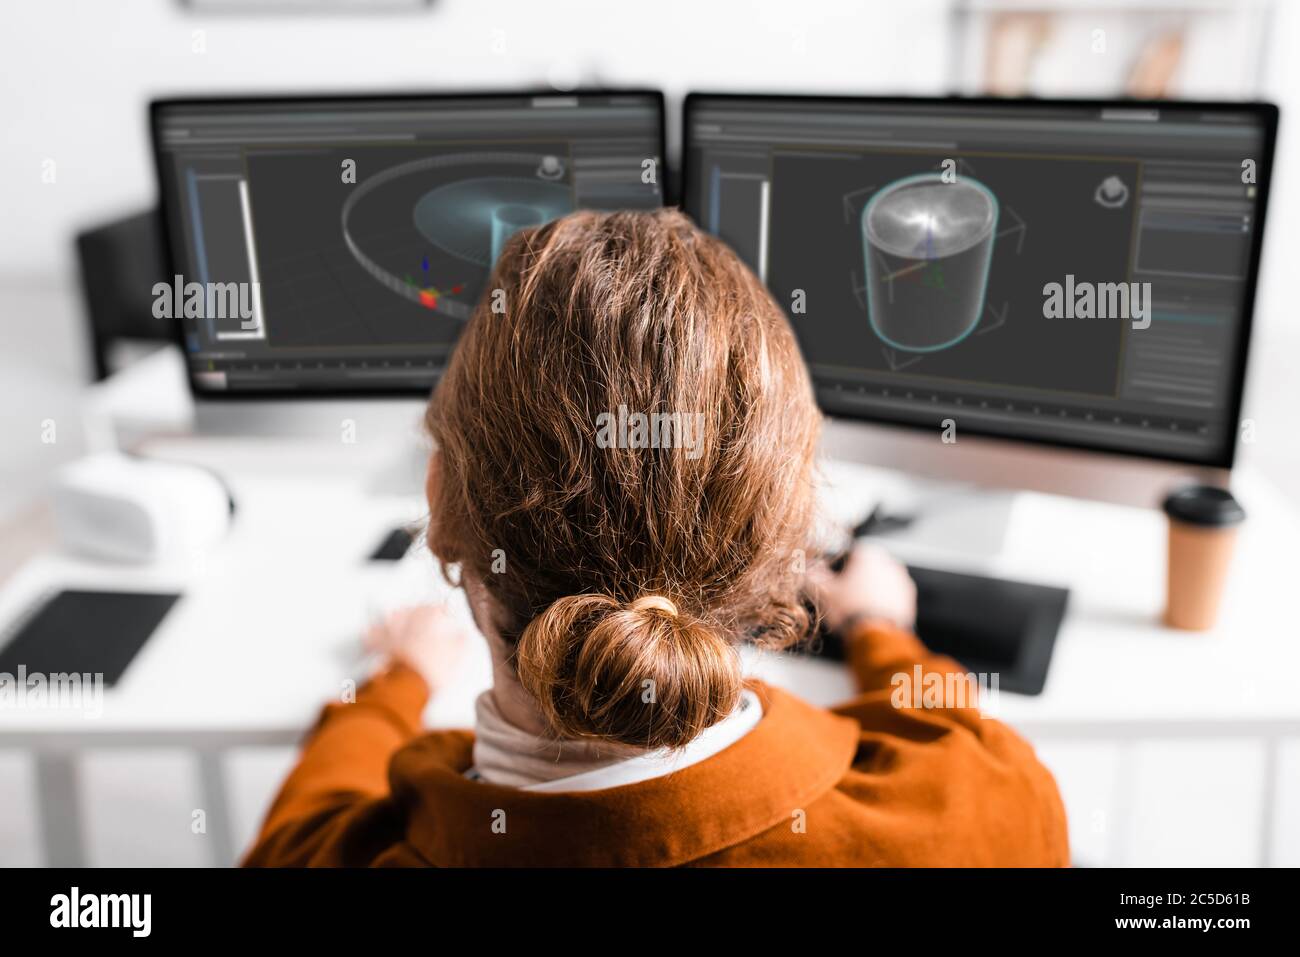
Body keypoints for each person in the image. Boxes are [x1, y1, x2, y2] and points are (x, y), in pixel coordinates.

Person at [244, 210, 1068, 867]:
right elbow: (956, 741)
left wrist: (394, 684)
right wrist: (880, 628)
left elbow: (309, 816)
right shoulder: (983, 816)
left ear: (439, 506)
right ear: (790, 538)